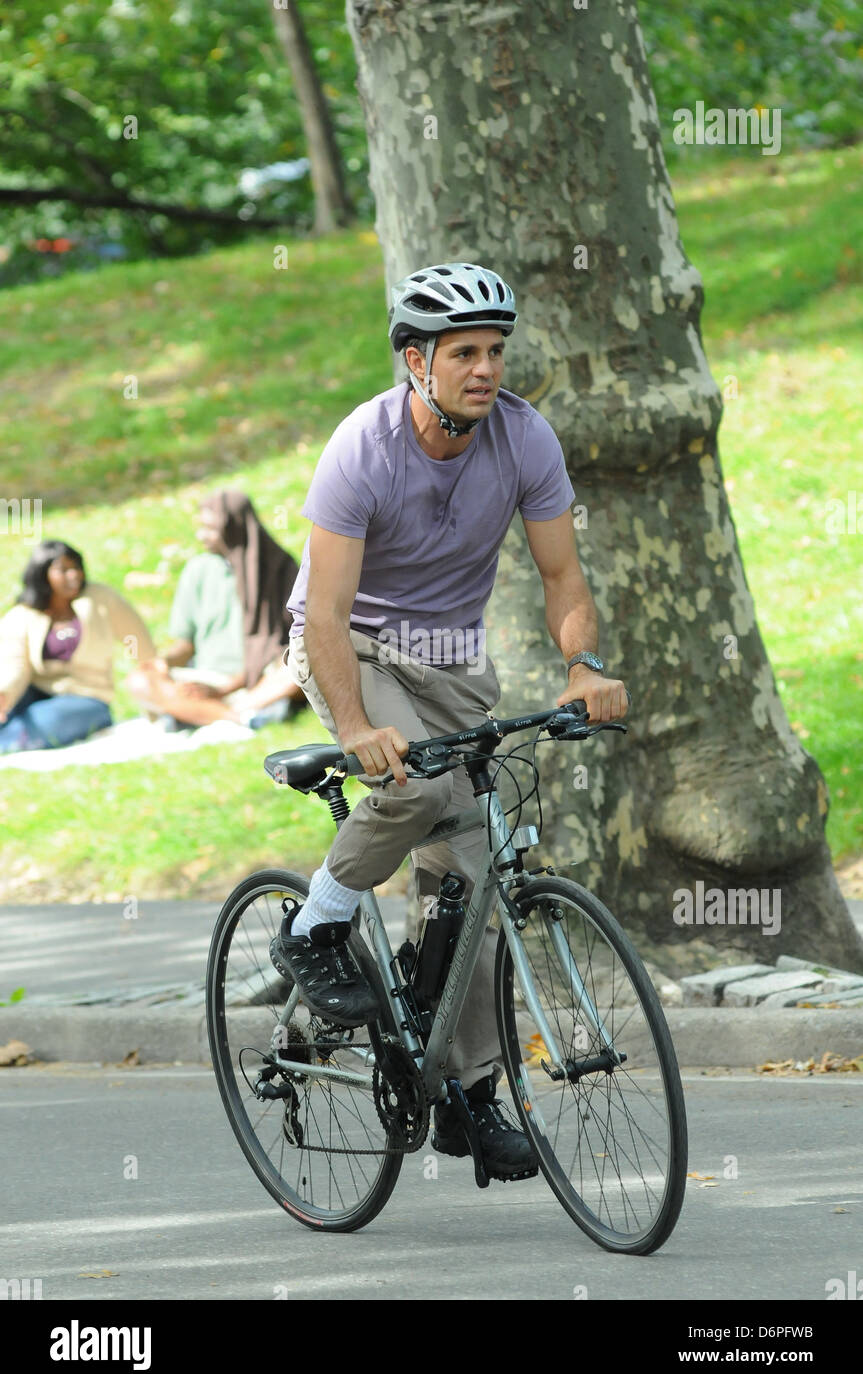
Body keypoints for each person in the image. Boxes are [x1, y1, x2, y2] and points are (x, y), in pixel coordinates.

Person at [269, 261, 629, 1180]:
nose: (484, 368)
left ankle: (469, 1096)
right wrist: (355, 727)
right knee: (412, 787)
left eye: (495, 350)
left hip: (453, 663)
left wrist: (581, 664)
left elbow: (563, 581)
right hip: (352, 646)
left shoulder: (523, 438)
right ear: (414, 362)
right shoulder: (363, 446)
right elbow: (325, 614)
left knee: (475, 885)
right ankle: (314, 926)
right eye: (462, 352)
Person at [128, 490, 304, 730]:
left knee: (298, 666)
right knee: (140, 680)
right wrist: (164, 662)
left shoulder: (279, 566)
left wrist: (225, 689)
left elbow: (285, 645)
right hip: (205, 677)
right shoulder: (197, 569)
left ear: (234, 526)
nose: (201, 535)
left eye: (210, 528)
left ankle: (207, 714)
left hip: (258, 680)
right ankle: (236, 719)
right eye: (201, 527)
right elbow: (185, 644)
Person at [0, 540, 157, 753]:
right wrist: (4, 695)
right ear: (42, 573)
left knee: (37, 723)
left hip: (87, 697)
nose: (74, 576)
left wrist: (149, 672)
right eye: (63, 570)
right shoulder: (23, 615)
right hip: (37, 692)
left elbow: (134, 639)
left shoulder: (101, 599)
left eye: (76, 568)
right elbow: (14, 665)